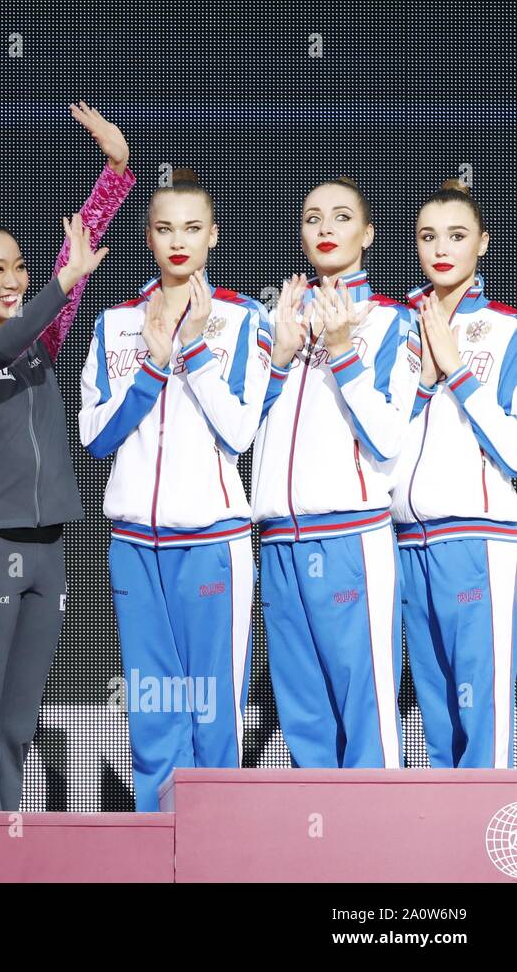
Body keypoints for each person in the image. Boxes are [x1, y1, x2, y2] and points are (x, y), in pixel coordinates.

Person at [0, 101, 134, 811]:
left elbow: (78, 258)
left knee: (17, 722)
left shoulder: (38, 337)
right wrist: (60, 286)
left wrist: (116, 171)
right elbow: (4, 341)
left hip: (48, 548)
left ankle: (6, 839)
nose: (14, 279)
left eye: (20, 267)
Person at [81, 169, 269, 811]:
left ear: (214, 236)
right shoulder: (116, 324)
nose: (179, 241)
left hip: (214, 541)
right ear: (148, 236)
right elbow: (96, 438)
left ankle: (215, 852)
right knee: (154, 708)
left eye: (192, 228)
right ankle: (155, 846)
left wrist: (192, 352)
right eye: (165, 228)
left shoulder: (244, 320)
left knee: (213, 710)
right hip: (135, 542)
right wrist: (153, 367)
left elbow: (241, 431)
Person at [252, 177, 418, 769]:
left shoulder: (389, 322)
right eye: (312, 217)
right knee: (303, 714)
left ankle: (379, 856)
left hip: (352, 536)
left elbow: (387, 437)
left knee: (365, 709)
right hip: (278, 539)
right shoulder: (278, 318)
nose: (324, 228)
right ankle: (319, 853)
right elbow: (244, 427)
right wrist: (277, 354)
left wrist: (344, 349)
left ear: (368, 234)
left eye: (341, 217)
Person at [393, 179, 516, 768]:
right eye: (428, 236)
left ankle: (492, 851)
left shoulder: (506, 328)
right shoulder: (393, 326)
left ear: (483, 245)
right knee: (436, 717)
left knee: (484, 714)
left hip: (477, 538)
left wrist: (458, 372)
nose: (441, 248)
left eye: (457, 236)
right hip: (405, 540)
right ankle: (444, 856)